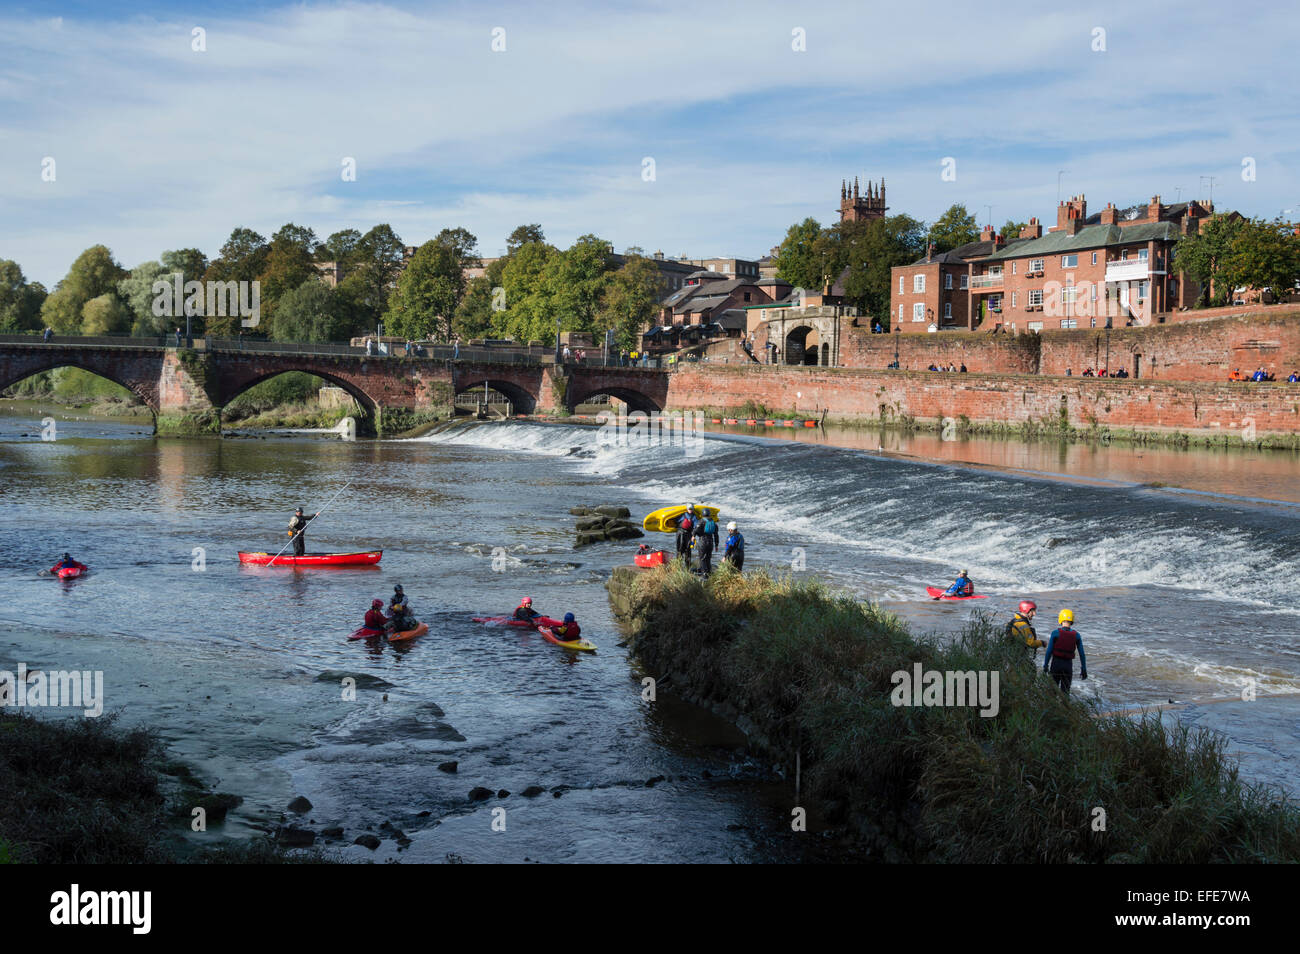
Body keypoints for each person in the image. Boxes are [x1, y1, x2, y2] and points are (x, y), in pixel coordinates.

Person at [1043, 609, 1087, 694]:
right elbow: (1082, 654)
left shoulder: (1055, 633)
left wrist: (1045, 665)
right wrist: (1083, 669)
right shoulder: (1077, 635)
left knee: (1052, 691)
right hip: (1068, 666)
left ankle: (1052, 706)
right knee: (1065, 692)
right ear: (1072, 621)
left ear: (1060, 619)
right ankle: (1065, 706)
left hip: (1056, 664)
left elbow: (1049, 651)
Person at [693, 510, 719, 575]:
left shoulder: (701, 521)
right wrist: (716, 545)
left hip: (703, 541)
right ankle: (707, 571)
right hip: (710, 542)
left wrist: (693, 536)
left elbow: (695, 530)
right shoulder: (713, 523)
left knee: (702, 558)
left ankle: (704, 574)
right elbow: (716, 535)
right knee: (708, 557)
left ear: (703, 514)